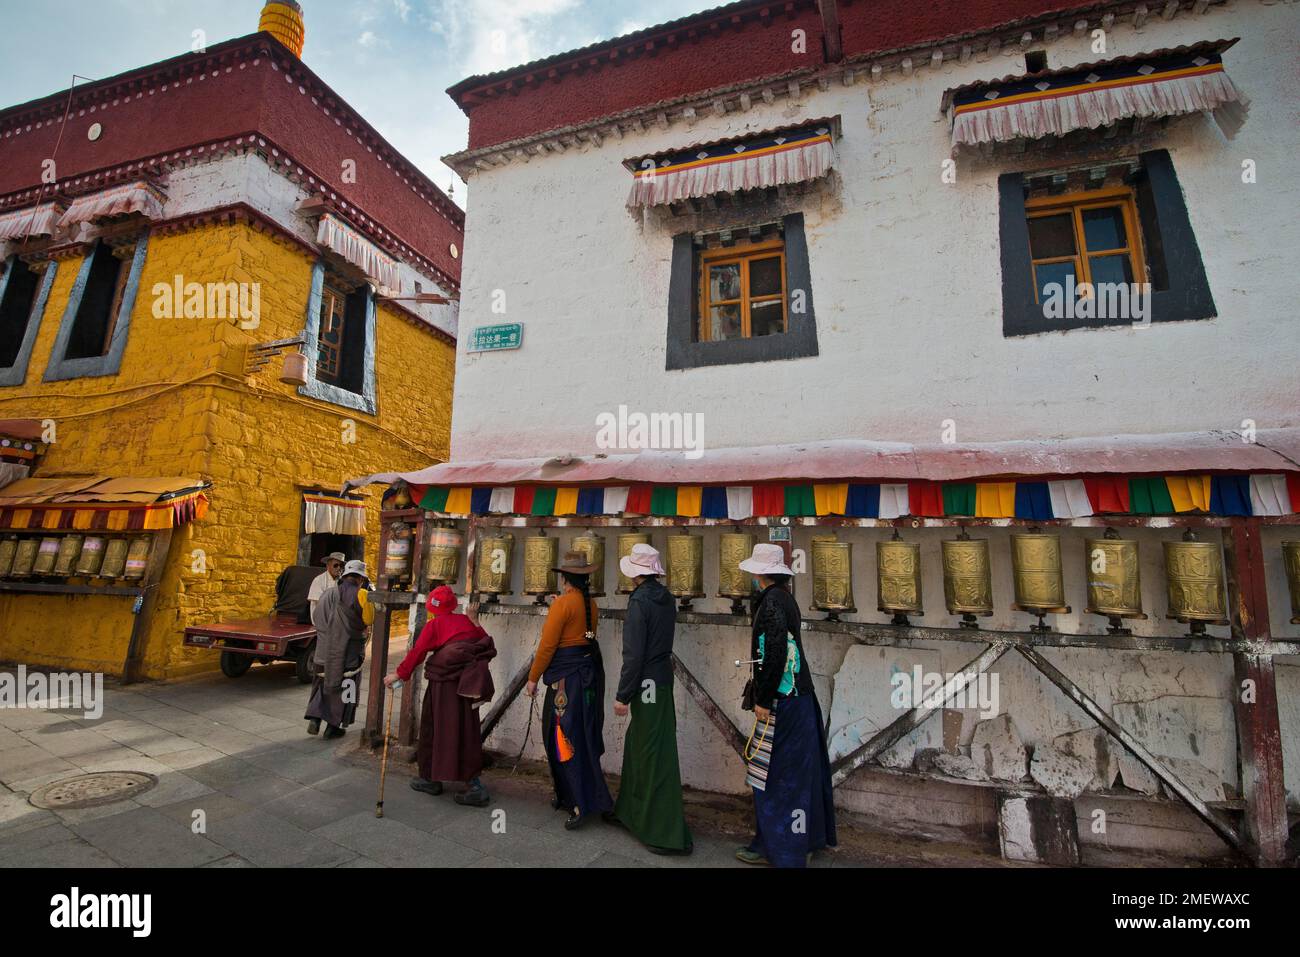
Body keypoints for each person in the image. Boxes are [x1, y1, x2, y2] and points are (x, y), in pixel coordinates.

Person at [735, 543, 837, 867]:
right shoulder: (783, 599)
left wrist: (764, 700)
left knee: (776, 777)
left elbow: (776, 653)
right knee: (790, 775)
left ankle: (784, 848)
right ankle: (788, 840)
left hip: (785, 703)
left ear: (760, 573)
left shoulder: (773, 604)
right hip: (798, 701)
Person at [610, 544, 693, 854]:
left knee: (653, 754)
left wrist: (622, 695)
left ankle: (663, 832)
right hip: (660, 680)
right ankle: (630, 813)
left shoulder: (639, 604)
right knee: (639, 746)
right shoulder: (667, 600)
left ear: (635, 574)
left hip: (644, 682)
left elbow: (633, 655)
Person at [384, 585, 496, 807]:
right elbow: (485, 644)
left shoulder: (434, 625)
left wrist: (398, 674)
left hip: (442, 689)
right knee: (466, 731)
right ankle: (474, 785)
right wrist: (474, 621)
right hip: (465, 689)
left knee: (433, 728)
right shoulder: (467, 623)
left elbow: (417, 653)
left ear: (432, 609)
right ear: (453, 605)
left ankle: (430, 779)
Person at [526, 550, 614, 830]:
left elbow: (548, 646)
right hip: (586, 678)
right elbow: (585, 636)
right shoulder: (591, 604)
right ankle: (575, 796)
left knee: (562, 738)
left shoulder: (563, 605)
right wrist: (560, 607)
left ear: (566, 579)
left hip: (566, 682)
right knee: (582, 736)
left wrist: (532, 678)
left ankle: (577, 802)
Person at [306, 559, 373, 738]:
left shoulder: (327, 593)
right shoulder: (362, 595)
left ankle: (315, 717)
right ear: (361, 578)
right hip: (348, 654)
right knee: (347, 687)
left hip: (324, 652)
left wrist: (330, 636)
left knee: (321, 684)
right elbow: (369, 620)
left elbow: (317, 618)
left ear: (344, 575)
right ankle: (334, 726)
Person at [308, 552, 345, 617]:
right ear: (328, 566)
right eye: (335, 565)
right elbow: (320, 603)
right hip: (321, 616)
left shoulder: (343, 581)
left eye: (341, 566)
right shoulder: (318, 580)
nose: (339, 568)